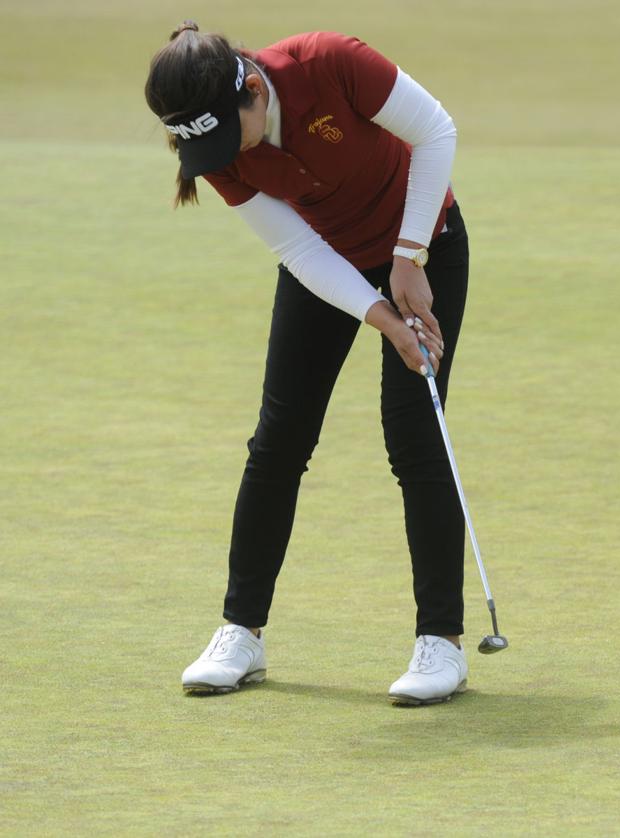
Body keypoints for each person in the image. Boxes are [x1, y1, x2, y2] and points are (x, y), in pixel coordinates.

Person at [144, 22, 473, 705]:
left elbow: (435, 131)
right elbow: (299, 251)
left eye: (231, 137)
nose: (226, 157)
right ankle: (241, 631)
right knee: (278, 440)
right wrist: (381, 318)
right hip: (326, 260)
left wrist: (409, 256)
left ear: (255, 89)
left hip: (425, 242)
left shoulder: (328, 64)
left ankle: (440, 641)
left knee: (414, 434)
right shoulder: (223, 153)